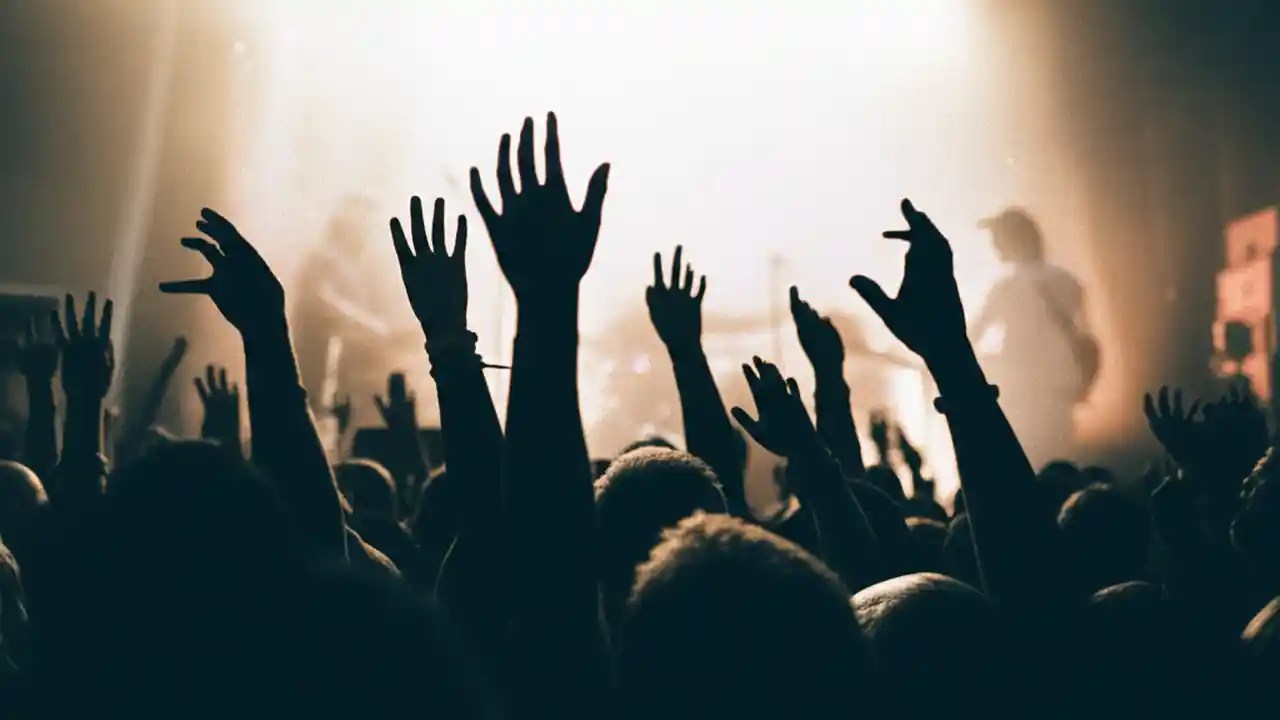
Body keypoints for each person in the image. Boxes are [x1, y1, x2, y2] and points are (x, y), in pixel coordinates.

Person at [970, 208, 1094, 467]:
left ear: (1013, 240)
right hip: (1062, 390)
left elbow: (973, 334)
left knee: (1025, 465)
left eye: (998, 237)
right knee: (1060, 465)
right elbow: (1083, 334)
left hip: (1023, 393)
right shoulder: (1068, 280)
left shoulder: (1007, 286)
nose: (994, 245)